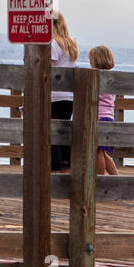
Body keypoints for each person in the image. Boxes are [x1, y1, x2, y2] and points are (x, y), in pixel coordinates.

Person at [49, 12, 79, 173]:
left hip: (54, 95)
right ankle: (67, 163)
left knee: (52, 131)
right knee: (64, 130)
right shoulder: (71, 44)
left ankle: (54, 166)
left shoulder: (54, 44)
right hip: (69, 96)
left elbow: (48, 69)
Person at [87, 45, 118, 176]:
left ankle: (99, 181)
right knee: (103, 152)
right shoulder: (112, 78)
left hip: (98, 117)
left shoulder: (97, 77)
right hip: (109, 117)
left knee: (97, 152)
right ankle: (116, 179)